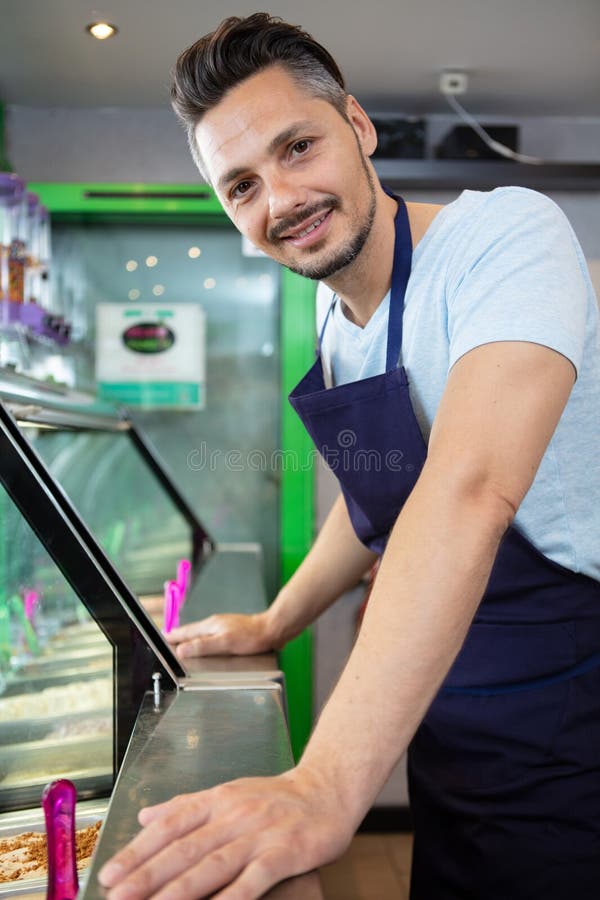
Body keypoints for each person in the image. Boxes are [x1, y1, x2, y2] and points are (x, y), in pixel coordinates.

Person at [98, 13, 600, 900]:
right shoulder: (337, 323)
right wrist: (273, 625)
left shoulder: (507, 240)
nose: (280, 201)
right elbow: (380, 509)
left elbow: (466, 489)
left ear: (359, 126)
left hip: (569, 695)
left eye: (298, 148)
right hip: (446, 705)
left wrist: (326, 782)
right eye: (241, 186)